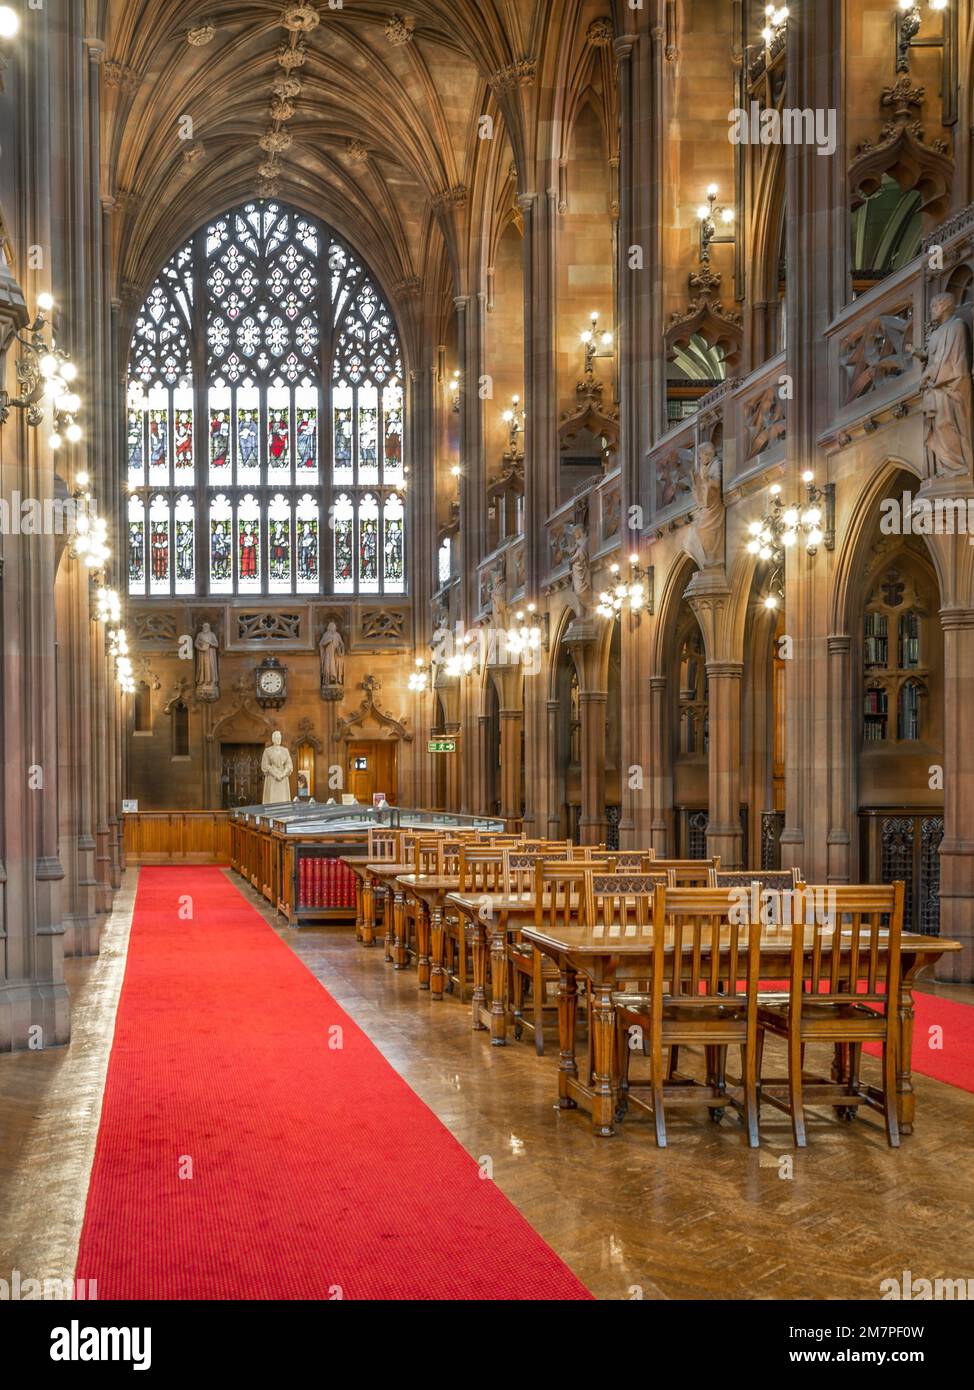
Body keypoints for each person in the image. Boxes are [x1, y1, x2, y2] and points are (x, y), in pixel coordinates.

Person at [261, 731, 293, 804]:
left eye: (279, 737)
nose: (278, 739)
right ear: (273, 739)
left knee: (283, 800)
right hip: (272, 778)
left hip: (283, 778)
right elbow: (265, 765)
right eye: (276, 737)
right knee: (271, 800)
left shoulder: (285, 750)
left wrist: (283, 774)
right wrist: (275, 774)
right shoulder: (267, 751)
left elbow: (289, 765)